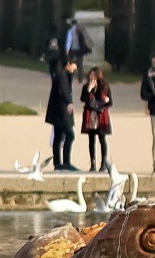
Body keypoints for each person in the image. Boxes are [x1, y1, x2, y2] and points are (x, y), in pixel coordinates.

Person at [45, 42, 78, 172]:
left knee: (58, 137)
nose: (76, 67)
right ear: (68, 64)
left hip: (58, 111)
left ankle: (58, 164)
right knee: (70, 135)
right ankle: (65, 162)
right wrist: (69, 102)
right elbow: (63, 91)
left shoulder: (63, 74)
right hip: (61, 111)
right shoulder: (62, 75)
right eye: (74, 64)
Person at [79, 65, 113, 172]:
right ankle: (93, 163)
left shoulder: (105, 86)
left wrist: (107, 100)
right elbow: (83, 99)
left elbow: (110, 103)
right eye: (90, 75)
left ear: (98, 76)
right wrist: (89, 89)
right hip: (90, 115)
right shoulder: (86, 86)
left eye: (94, 75)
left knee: (102, 139)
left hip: (101, 115)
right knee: (91, 139)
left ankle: (104, 163)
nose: (92, 77)